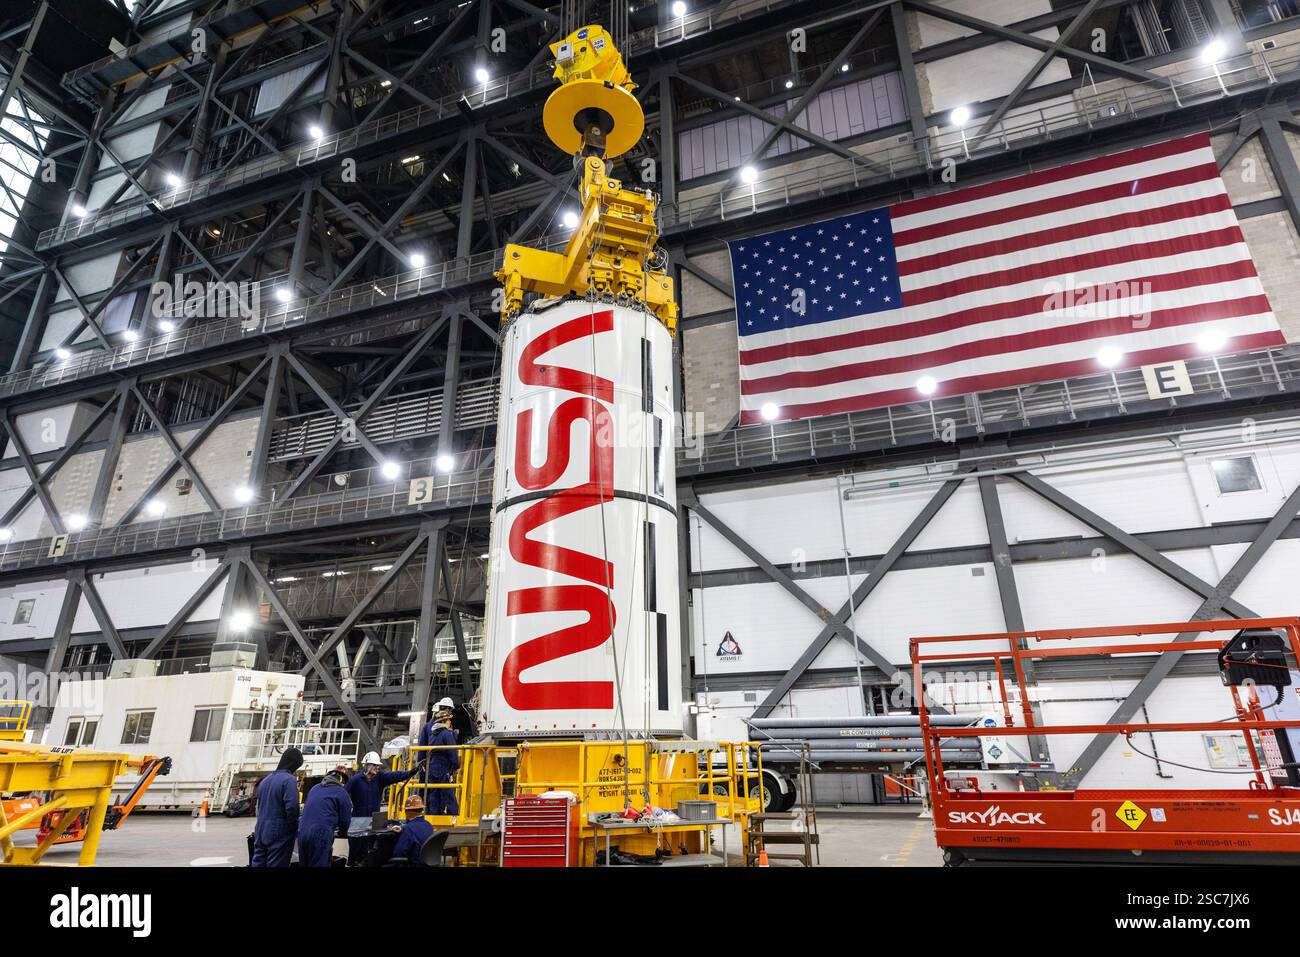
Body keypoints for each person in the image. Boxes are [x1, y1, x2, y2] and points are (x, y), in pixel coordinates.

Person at [250, 747, 303, 867]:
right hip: (279, 829)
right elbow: (292, 809)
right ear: (293, 764)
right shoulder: (289, 780)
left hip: (261, 828)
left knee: (258, 863)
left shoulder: (265, 780)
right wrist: (293, 828)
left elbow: (259, 807)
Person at [297, 767, 352, 867]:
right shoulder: (342, 792)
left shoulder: (314, 788)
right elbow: (345, 820)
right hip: (320, 834)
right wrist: (343, 833)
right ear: (342, 780)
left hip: (302, 832)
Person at [418, 700, 461, 815]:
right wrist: (457, 766)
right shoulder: (446, 733)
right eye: (449, 720)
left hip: (431, 766)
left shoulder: (433, 734)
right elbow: (452, 751)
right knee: (447, 791)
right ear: (445, 721)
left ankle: (434, 813)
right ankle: (453, 814)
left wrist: (421, 762)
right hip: (442, 767)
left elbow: (423, 747)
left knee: (433, 792)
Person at [389, 795, 436, 866]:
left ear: (407, 812)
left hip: (413, 863)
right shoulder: (429, 825)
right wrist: (403, 830)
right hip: (426, 863)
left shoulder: (409, 829)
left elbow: (398, 853)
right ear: (421, 810)